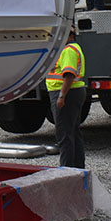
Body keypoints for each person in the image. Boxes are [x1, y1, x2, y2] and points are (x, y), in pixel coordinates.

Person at [47, 26, 86, 169]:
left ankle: (67, 169)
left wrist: (61, 96)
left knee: (64, 133)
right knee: (73, 131)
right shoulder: (71, 48)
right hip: (72, 92)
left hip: (68, 93)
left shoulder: (69, 50)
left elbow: (69, 75)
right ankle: (77, 168)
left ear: (70, 36)